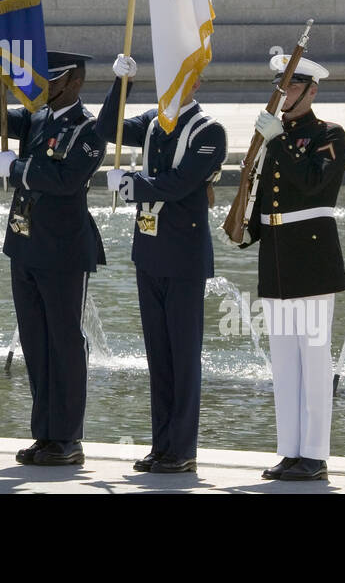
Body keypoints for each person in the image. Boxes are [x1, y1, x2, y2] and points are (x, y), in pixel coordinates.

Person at [97, 53, 226, 474]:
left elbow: (179, 184)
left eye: (181, 79)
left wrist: (132, 185)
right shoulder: (155, 122)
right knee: (159, 354)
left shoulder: (209, 131)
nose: (171, 86)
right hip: (149, 252)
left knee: (183, 355)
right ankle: (161, 445)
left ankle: (183, 449)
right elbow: (106, 127)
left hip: (184, 256)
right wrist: (122, 83)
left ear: (196, 85)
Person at [222, 54, 345, 481]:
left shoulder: (329, 135)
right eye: (281, 85)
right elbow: (265, 197)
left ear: (312, 91)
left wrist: (275, 141)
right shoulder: (273, 137)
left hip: (311, 259)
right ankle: (290, 451)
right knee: (284, 362)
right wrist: (245, 229)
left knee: (314, 358)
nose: (284, 93)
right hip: (275, 256)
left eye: (293, 86)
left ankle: (314, 454)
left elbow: (312, 183)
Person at [0, 51, 105, 466]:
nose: (39, 86)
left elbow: (66, 180)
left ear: (72, 82)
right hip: (24, 243)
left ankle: (67, 438)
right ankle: (45, 434)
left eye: (48, 80)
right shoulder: (36, 118)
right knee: (35, 341)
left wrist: (16, 169)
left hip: (64, 249)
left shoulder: (89, 128)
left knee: (65, 341)